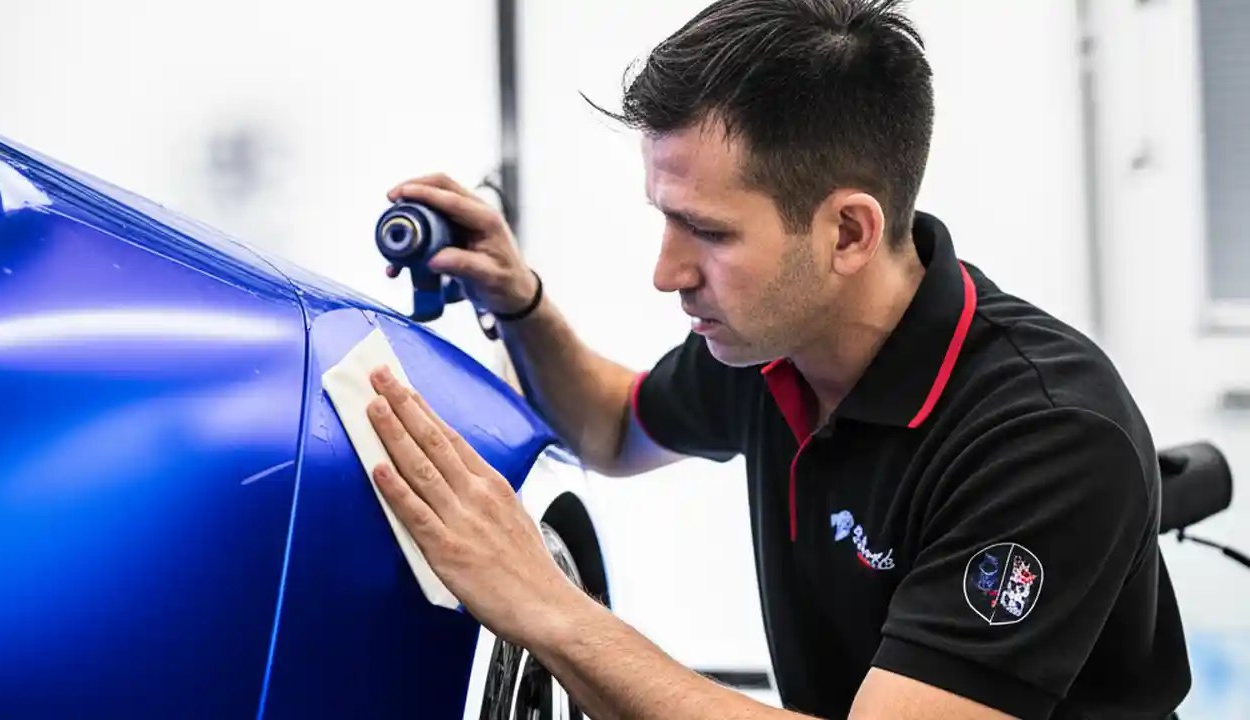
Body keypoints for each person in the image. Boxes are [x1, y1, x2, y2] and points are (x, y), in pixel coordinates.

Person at [363, 0, 1192, 717]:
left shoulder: (1045, 438)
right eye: (665, 218)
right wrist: (518, 301)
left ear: (849, 233)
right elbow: (611, 427)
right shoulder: (775, 349)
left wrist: (545, 606)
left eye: (709, 232)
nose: (666, 273)